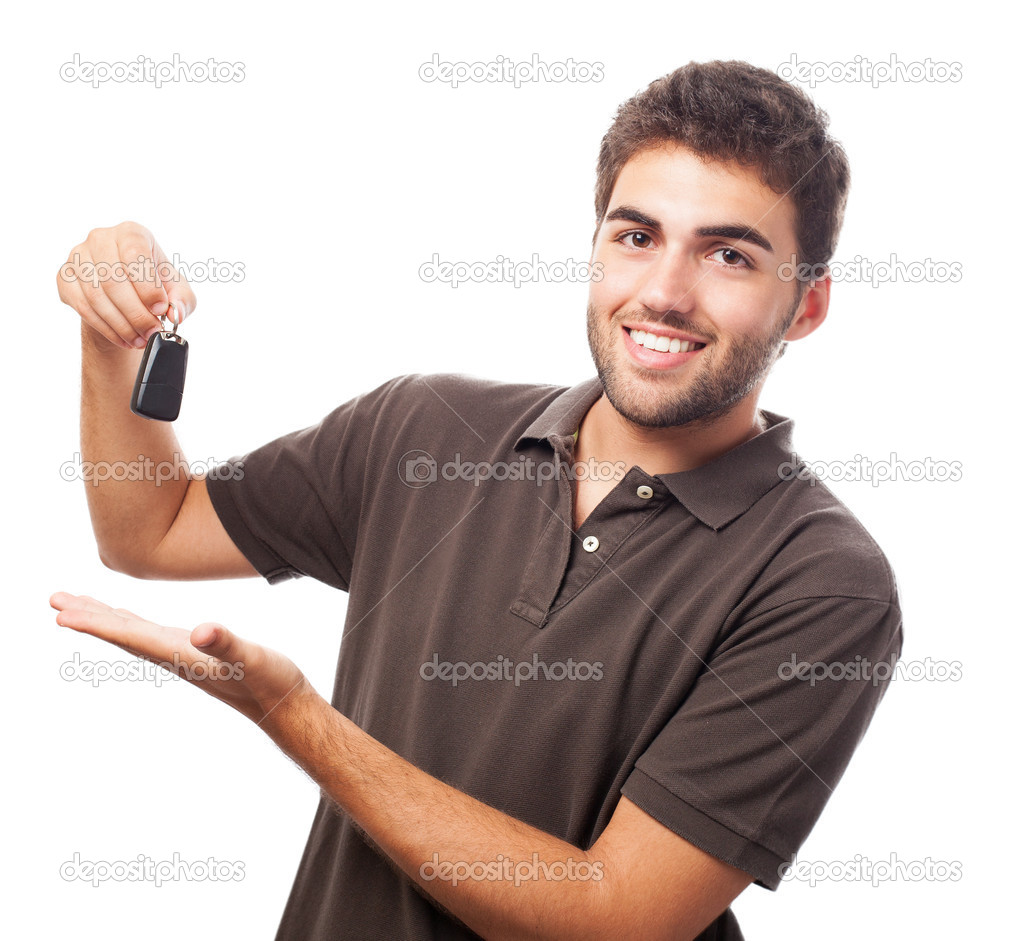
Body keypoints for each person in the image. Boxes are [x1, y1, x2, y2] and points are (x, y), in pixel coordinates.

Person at [52, 60, 902, 940]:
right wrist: (114, 333)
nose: (662, 292)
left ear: (806, 304)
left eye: (728, 254)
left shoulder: (824, 584)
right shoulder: (422, 429)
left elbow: (614, 921)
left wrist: (291, 713)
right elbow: (151, 528)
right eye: (636, 236)